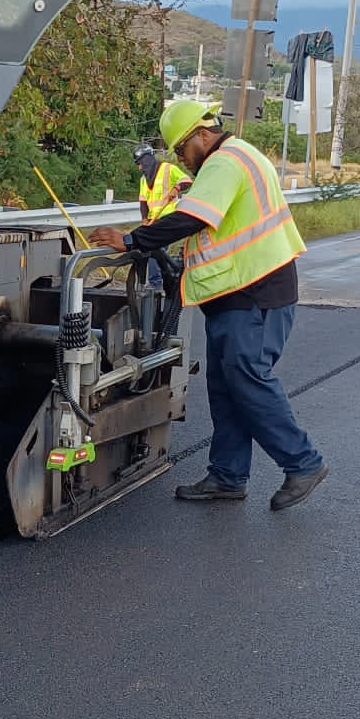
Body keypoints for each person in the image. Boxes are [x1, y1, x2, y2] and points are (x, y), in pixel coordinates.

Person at [94, 101, 328, 512]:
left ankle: (302, 462)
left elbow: (193, 218)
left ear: (201, 136)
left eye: (182, 150)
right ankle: (227, 475)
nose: (181, 161)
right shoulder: (233, 159)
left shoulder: (225, 162)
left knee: (248, 379)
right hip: (233, 296)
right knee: (225, 386)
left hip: (257, 294)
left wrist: (132, 241)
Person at [134, 139, 190, 290]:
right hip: (154, 220)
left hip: (169, 219)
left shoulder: (167, 169)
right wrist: (145, 220)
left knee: (155, 249)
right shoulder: (144, 180)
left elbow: (187, 180)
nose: (140, 168)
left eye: (140, 163)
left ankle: (156, 286)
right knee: (147, 251)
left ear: (148, 159)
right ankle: (169, 275)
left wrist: (177, 188)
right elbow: (143, 202)